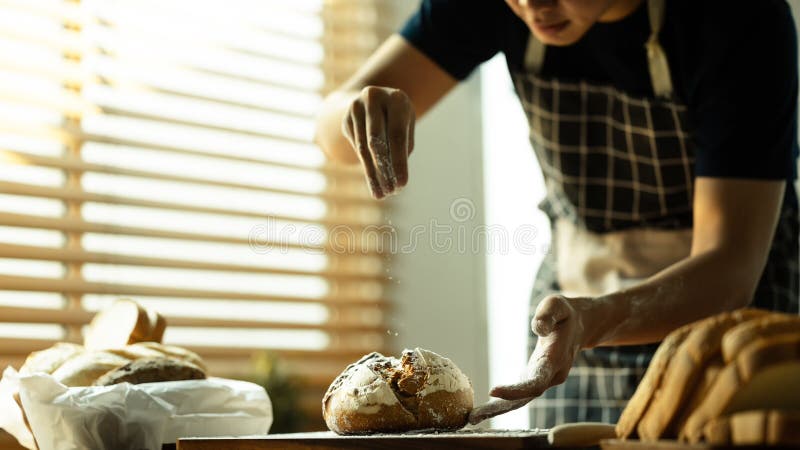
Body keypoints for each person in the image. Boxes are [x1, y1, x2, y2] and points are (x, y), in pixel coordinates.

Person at [314, 0, 799, 427]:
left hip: (727, 322)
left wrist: (599, 317)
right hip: (569, 317)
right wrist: (355, 110)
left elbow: (731, 266)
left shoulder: (740, 18)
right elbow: (329, 136)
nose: (533, 5)